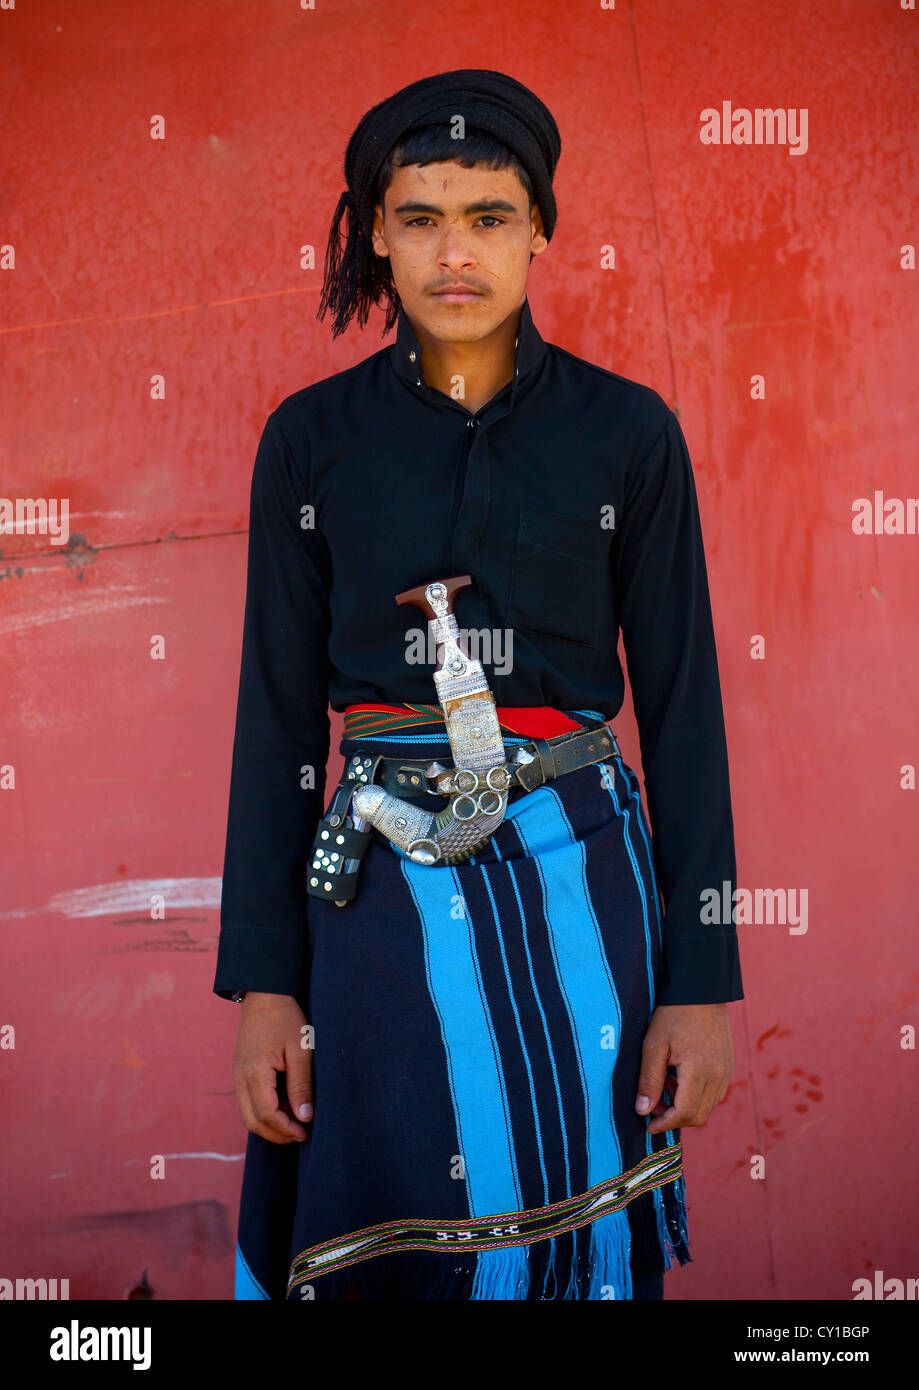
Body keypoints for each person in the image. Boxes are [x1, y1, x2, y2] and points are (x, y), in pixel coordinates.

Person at [214, 68, 743, 1302]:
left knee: (580, 1228)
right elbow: (277, 726)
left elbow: (683, 712)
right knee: (388, 1214)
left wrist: (703, 983)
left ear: (541, 230)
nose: (456, 252)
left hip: (587, 887)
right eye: (419, 217)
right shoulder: (311, 442)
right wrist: (263, 986)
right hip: (377, 896)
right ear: (375, 239)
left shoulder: (628, 434)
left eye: (490, 216)